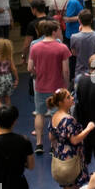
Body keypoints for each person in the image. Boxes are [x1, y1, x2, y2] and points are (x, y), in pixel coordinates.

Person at [46, 89, 94, 189]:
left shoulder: (54, 117)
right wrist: (88, 128)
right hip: (72, 158)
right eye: (68, 97)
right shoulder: (68, 119)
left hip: (60, 156)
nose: (71, 98)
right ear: (61, 102)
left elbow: (51, 137)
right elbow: (75, 139)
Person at [28, 20, 70, 154]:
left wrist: (37, 75)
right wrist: (66, 84)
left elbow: (30, 67)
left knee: (39, 113)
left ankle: (39, 144)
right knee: (56, 115)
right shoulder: (62, 47)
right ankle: (54, 145)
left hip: (40, 86)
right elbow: (65, 71)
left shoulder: (35, 47)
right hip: (57, 87)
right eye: (58, 30)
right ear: (53, 32)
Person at [69, 8, 95, 83]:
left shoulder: (74, 37)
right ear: (91, 20)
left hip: (80, 73)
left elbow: (74, 53)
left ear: (79, 21)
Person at [0, 38, 18, 109]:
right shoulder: (8, 56)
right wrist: (17, 78)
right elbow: (13, 68)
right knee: (7, 97)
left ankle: (1, 114)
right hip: (8, 77)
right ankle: (8, 112)